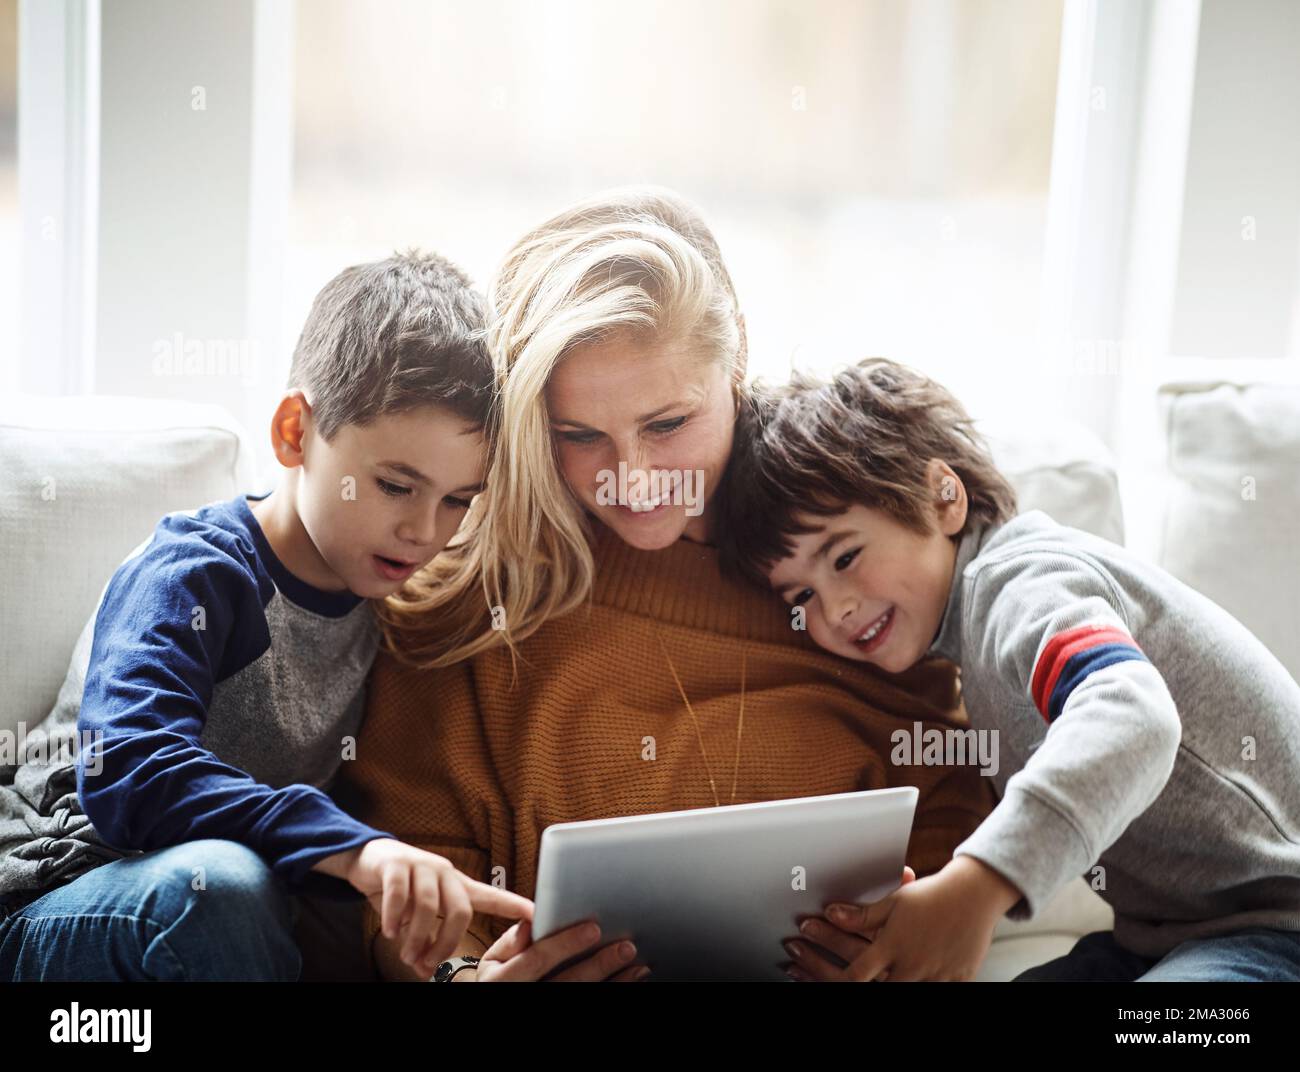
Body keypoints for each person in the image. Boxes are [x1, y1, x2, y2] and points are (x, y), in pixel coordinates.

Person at [333, 188, 996, 982]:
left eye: (667, 424)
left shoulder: (840, 571)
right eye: (581, 436)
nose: (634, 480)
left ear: (737, 358)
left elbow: (949, 798)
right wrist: (469, 980)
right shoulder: (469, 599)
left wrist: (894, 940)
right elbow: (405, 903)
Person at [0, 251, 532, 981]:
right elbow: (128, 770)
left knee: (259, 897)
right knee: (220, 888)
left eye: (457, 501)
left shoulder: (386, 606)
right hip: (57, 902)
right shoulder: (199, 570)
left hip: (230, 934)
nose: (425, 532)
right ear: (293, 433)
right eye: (394, 486)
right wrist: (352, 850)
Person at [715, 356, 1300, 982]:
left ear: (944, 499)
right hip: (1163, 939)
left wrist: (977, 884)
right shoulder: (968, 642)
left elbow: (1135, 716)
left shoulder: (1022, 583)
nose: (835, 609)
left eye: (845, 556)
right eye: (799, 597)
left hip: (1278, 923)